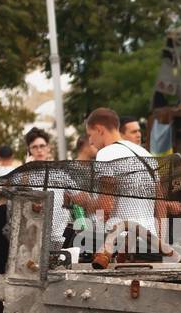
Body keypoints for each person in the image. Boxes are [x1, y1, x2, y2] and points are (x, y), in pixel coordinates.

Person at [67, 107, 163, 259]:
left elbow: (105, 207)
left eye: (91, 135)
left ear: (99, 130)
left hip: (122, 245)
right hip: (150, 242)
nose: (90, 141)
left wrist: (83, 200)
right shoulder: (145, 153)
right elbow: (160, 203)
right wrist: (161, 242)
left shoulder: (106, 154)